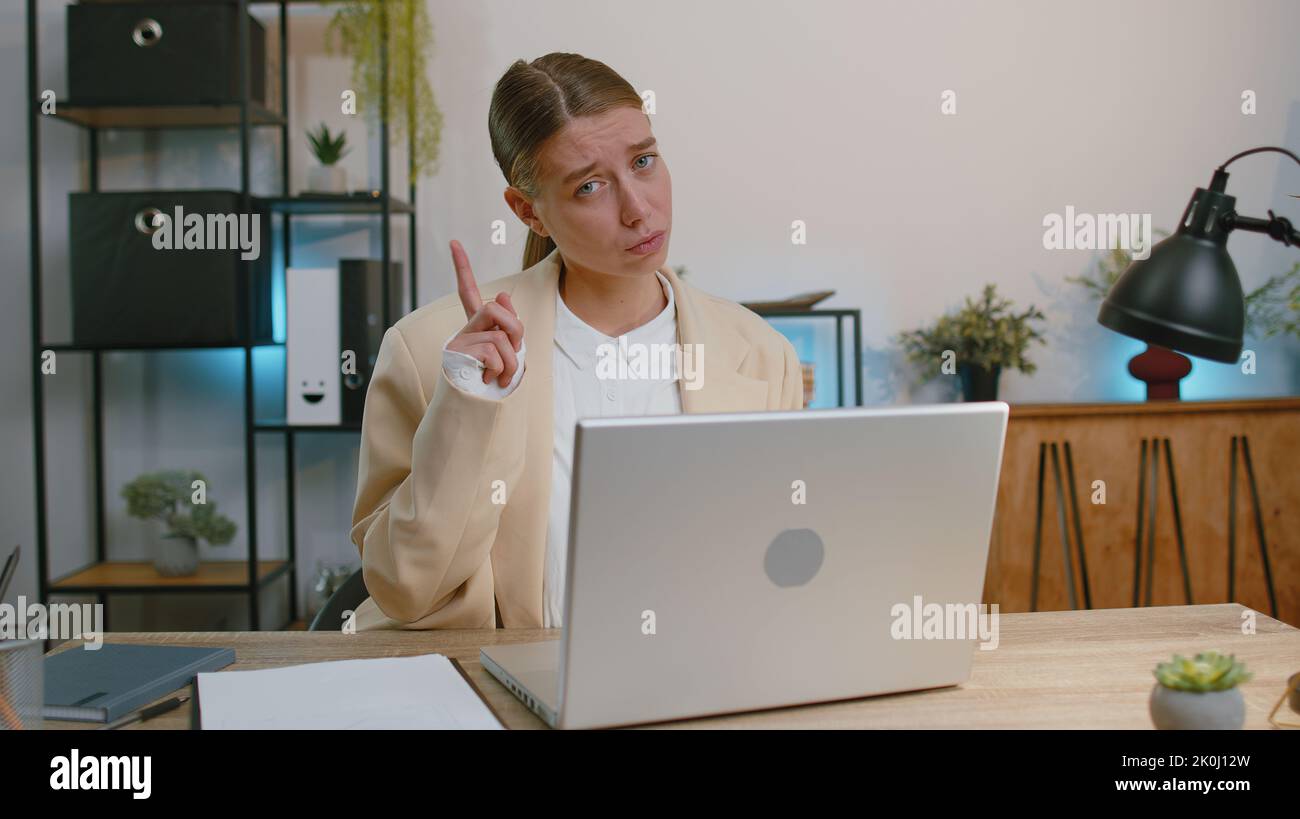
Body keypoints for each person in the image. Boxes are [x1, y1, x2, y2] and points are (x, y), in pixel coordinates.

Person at [349, 52, 805, 631]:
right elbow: (404, 589)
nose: (639, 210)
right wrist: (470, 403)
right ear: (528, 211)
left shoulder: (762, 356)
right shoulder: (428, 351)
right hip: (500, 697)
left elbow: (783, 570)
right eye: (589, 186)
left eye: (644, 161)